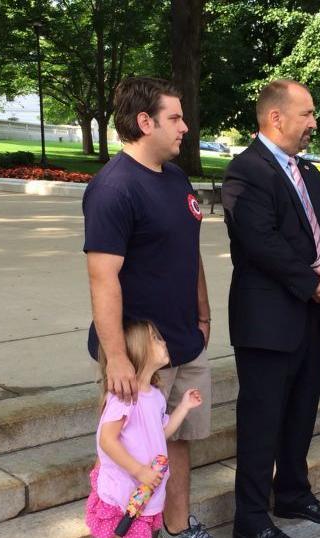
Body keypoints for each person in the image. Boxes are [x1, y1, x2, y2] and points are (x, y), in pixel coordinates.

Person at [82, 76, 212, 538]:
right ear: (145, 122)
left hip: (184, 339)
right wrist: (116, 355)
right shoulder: (113, 189)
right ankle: (130, 529)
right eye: (174, 118)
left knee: (177, 439)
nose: (185, 127)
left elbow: (189, 249)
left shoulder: (176, 178)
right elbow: (103, 276)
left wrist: (203, 316)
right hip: (139, 351)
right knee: (135, 443)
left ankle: (177, 528)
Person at [222, 79, 320, 538]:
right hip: (268, 321)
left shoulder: (308, 172)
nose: (314, 122)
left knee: (301, 411)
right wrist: (312, 281)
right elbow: (261, 243)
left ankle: (293, 495)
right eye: (307, 114)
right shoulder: (245, 171)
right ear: (276, 118)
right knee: (261, 421)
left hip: (311, 317)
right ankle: (252, 519)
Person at [85, 319, 204, 538]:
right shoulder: (124, 397)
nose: (164, 342)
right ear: (138, 350)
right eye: (156, 339)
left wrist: (184, 407)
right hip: (122, 494)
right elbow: (107, 440)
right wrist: (139, 471)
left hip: (144, 493)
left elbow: (161, 433)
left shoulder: (155, 395)